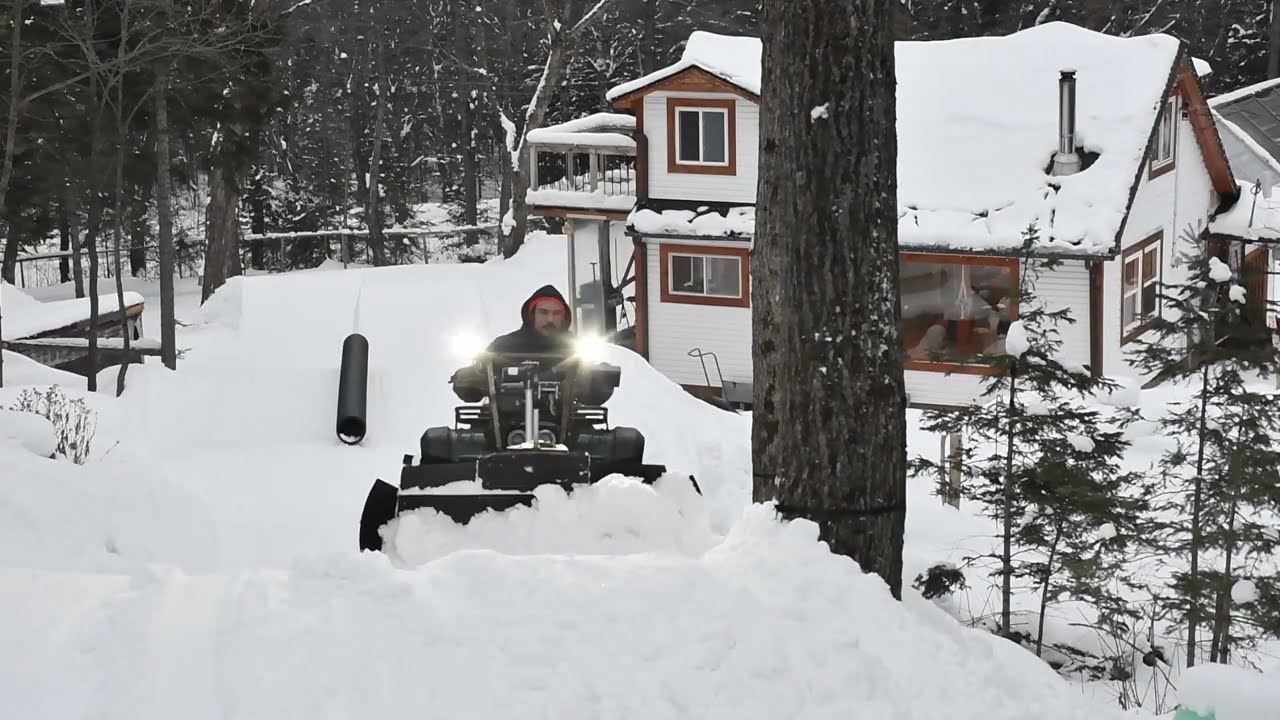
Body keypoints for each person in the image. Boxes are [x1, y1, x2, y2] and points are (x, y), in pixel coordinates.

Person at [450, 285, 575, 402]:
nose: (550, 319)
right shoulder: (504, 345)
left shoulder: (575, 348)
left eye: (556, 313)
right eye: (543, 312)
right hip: (506, 421)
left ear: (564, 317)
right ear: (532, 314)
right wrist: (468, 379)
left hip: (567, 420)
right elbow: (476, 377)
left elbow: (591, 384)